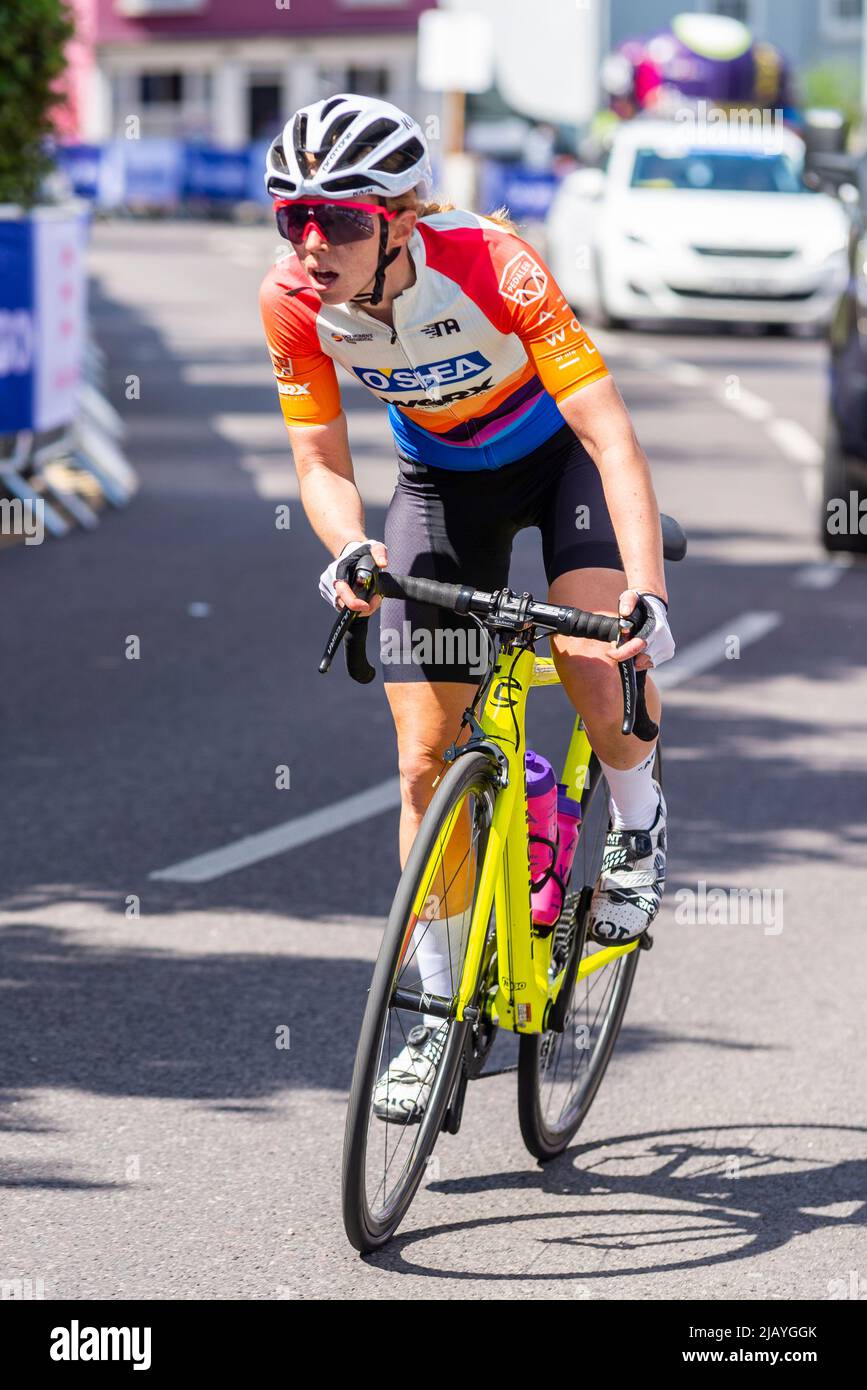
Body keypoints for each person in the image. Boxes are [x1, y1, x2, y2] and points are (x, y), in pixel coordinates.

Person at [260, 95, 675, 1121]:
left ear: (401, 217)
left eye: (343, 220)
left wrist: (646, 592)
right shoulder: (290, 300)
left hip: (558, 465)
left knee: (589, 657)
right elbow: (317, 459)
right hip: (439, 484)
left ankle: (637, 823)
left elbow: (612, 434)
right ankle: (437, 1015)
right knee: (421, 756)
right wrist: (349, 544)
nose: (315, 244)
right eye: (294, 216)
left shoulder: (495, 262)